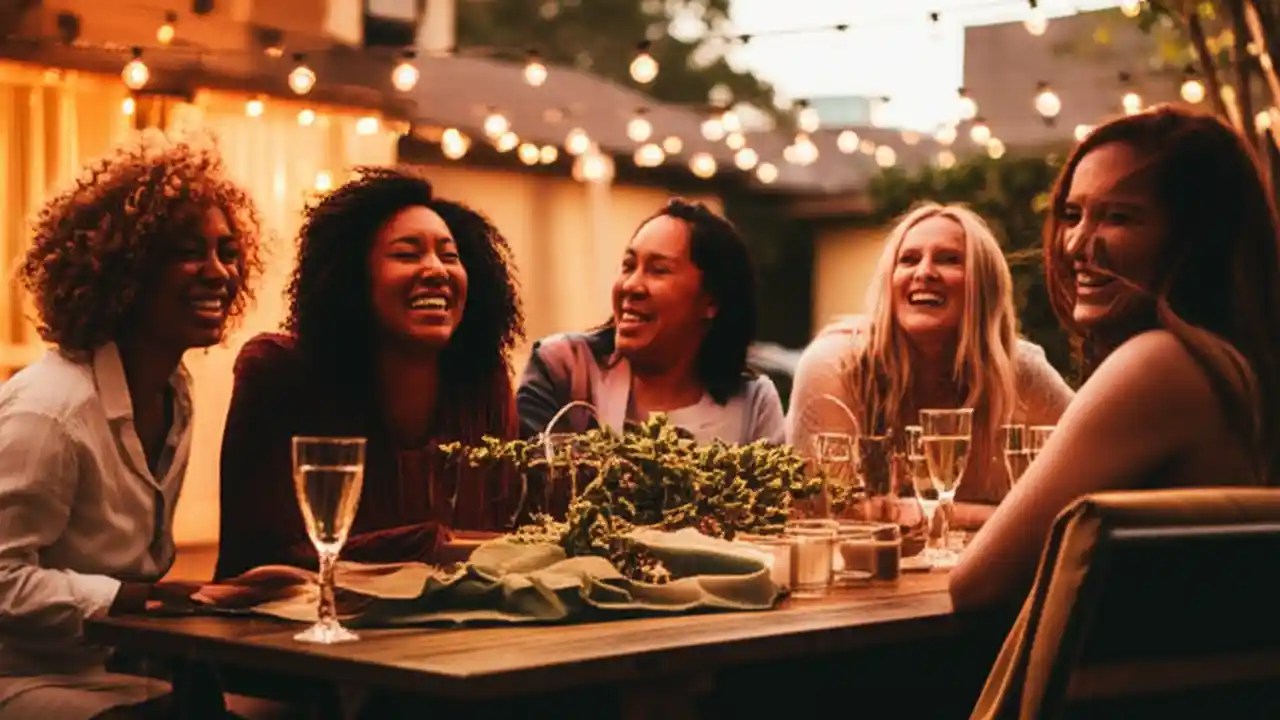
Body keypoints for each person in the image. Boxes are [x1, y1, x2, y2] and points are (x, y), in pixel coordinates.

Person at [950, 104, 1280, 611]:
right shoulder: (1241, 366)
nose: (1078, 244)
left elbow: (975, 585)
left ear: (1196, 238)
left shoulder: (1158, 366)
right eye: (1072, 214)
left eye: (1120, 217)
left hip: (1133, 688)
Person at [0, 129, 264, 718]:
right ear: (122, 267)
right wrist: (134, 598)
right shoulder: (50, 410)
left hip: (135, 674)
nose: (218, 271)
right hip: (32, 682)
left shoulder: (175, 394)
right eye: (187, 250)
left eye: (227, 250)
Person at [214, 167, 524, 581]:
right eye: (407, 254)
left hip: (459, 636)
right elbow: (259, 561)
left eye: (450, 256)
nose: (436, 270)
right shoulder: (279, 374)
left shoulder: (483, 383)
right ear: (353, 278)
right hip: (301, 637)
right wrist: (431, 545)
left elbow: (506, 542)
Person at [787, 203, 1074, 523]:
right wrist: (999, 517)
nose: (924, 272)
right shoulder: (836, 363)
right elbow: (825, 508)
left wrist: (919, 512)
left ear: (983, 286)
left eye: (949, 259)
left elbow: (1087, 486)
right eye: (908, 259)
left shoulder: (1021, 372)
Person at [517, 198, 784, 445]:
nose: (632, 285)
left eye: (658, 270)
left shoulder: (752, 404)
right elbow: (531, 486)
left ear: (711, 301)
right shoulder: (565, 369)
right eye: (629, 266)